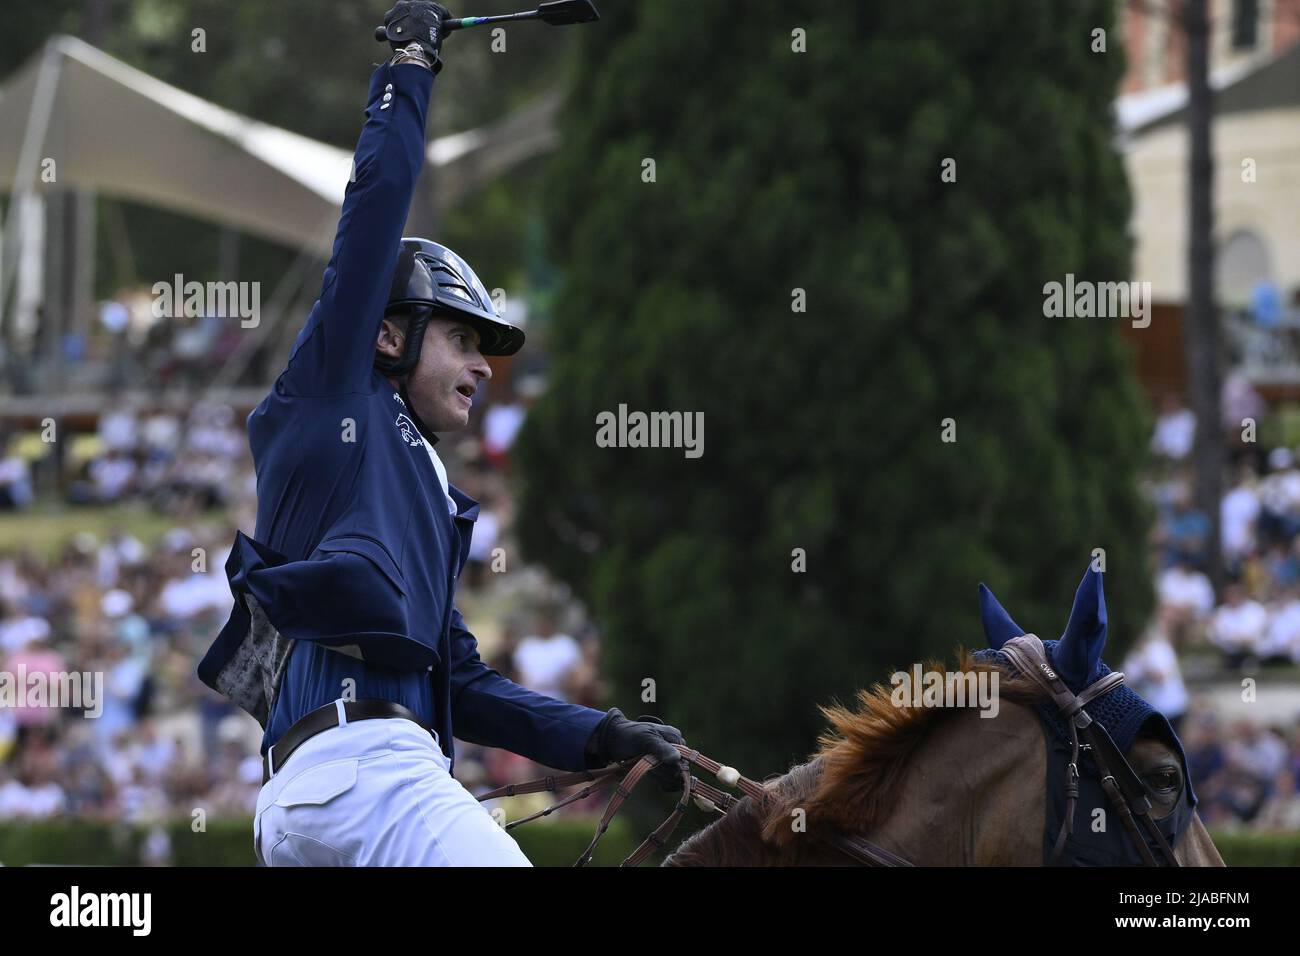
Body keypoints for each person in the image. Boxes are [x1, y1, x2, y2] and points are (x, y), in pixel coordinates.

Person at [198, 2, 683, 867]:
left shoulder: (428, 493)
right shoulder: (331, 395)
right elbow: (373, 216)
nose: (483, 364)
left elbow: (465, 685)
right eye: (462, 337)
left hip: (309, 803)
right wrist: (411, 69)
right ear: (388, 335)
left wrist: (604, 734)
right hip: (370, 778)